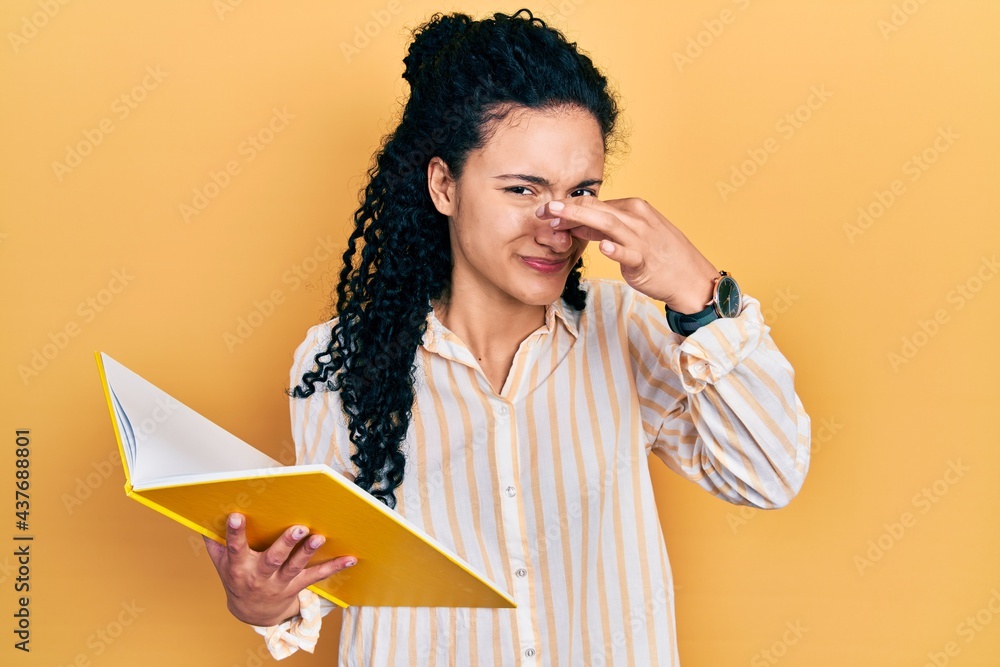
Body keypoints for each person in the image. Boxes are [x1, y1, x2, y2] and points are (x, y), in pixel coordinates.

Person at [204, 8, 811, 665]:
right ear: (444, 185)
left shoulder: (629, 328)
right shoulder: (342, 359)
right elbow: (322, 570)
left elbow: (770, 474)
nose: (556, 225)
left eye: (581, 191)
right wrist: (265, 602)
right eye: (524, 188)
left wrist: (699, 294)